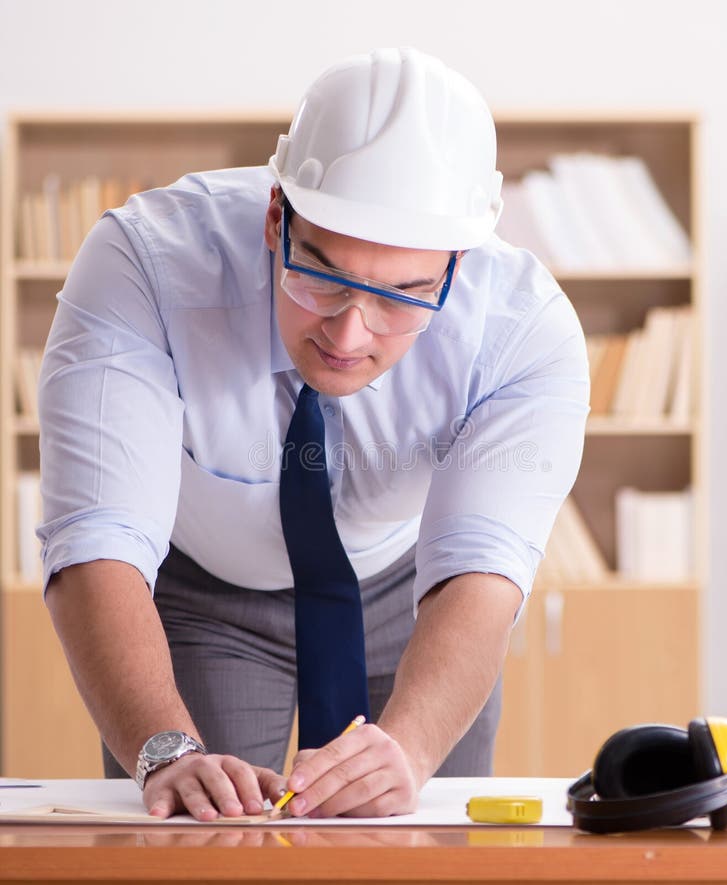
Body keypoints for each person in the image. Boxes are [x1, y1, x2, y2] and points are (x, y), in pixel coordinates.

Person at [38, 47, 589, 822]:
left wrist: (412, 745)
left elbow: (484, 566)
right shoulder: (146, 267)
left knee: (420, 843)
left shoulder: (523, 332)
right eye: (322, 275)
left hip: (413, 590)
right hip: (207, 595)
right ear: (277, 217)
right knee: (212, 835)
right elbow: (97, 537)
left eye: (402, 295)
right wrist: (163, 749)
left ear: (457, 266)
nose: (350, 332)